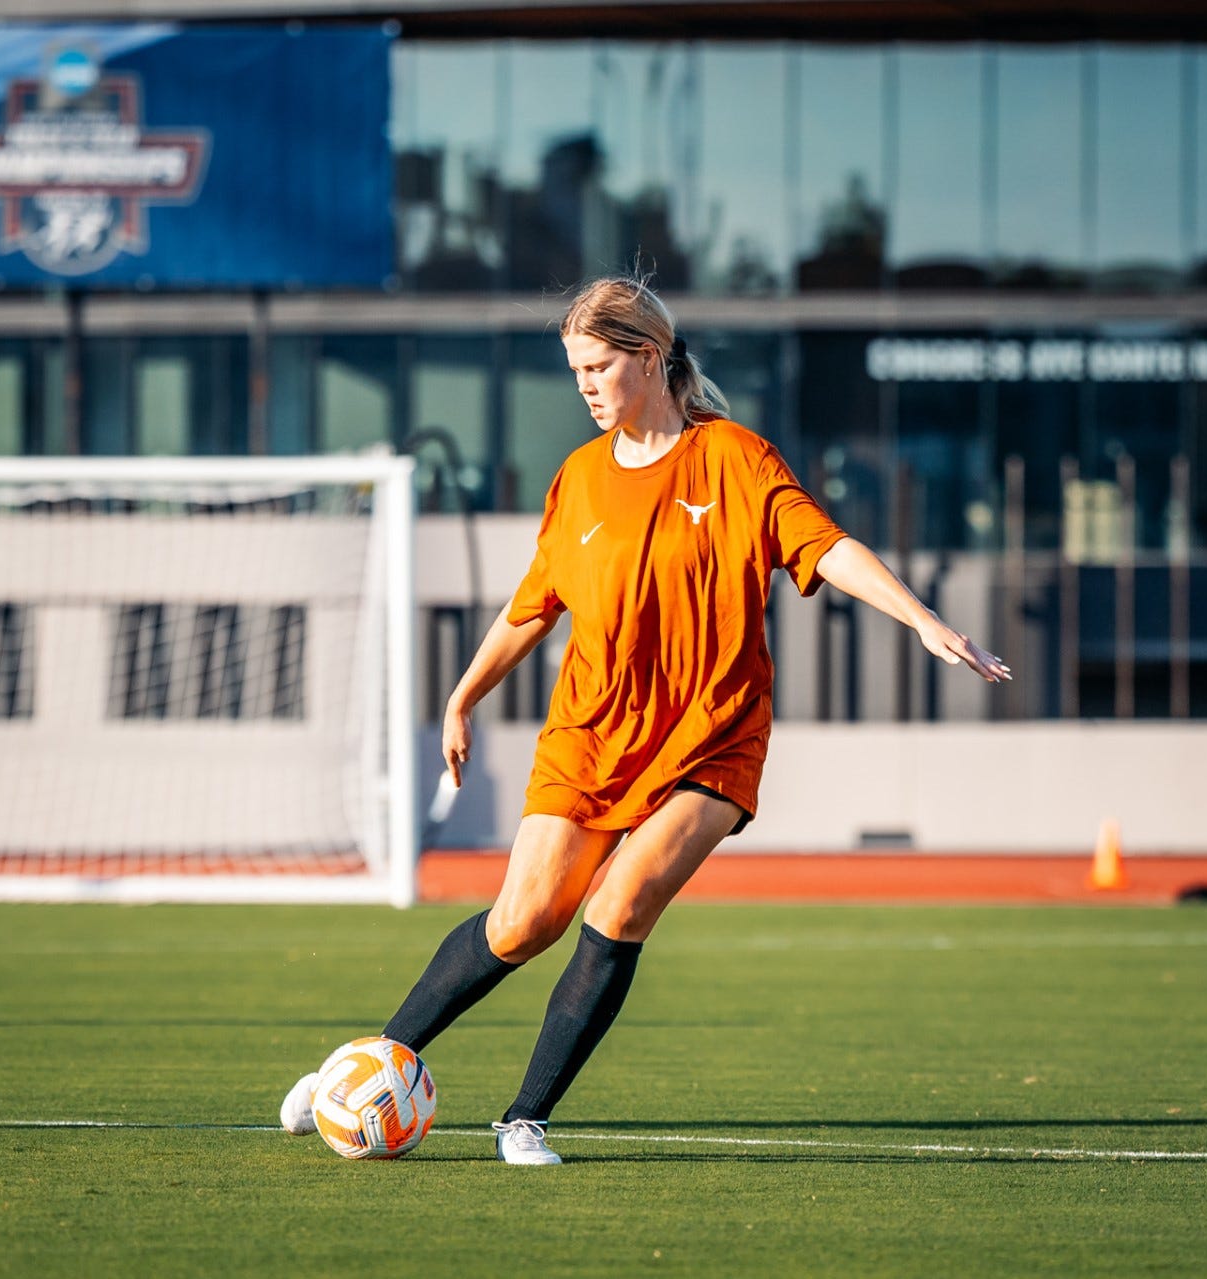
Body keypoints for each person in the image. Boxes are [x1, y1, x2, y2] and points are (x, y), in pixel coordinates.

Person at [281, 275, 1010, 1165]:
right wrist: (462, 694)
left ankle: (525, 1117)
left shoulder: (737, 460)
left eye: (598, 366)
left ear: (650, 358)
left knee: (622, 901)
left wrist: (926, 618)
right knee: (522, 923)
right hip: (592, 731)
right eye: (575, 370)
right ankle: (364, 1066)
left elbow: (827, 546)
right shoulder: (579, 479)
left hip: (714, 734)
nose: (585, 387)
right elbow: (531, 606)